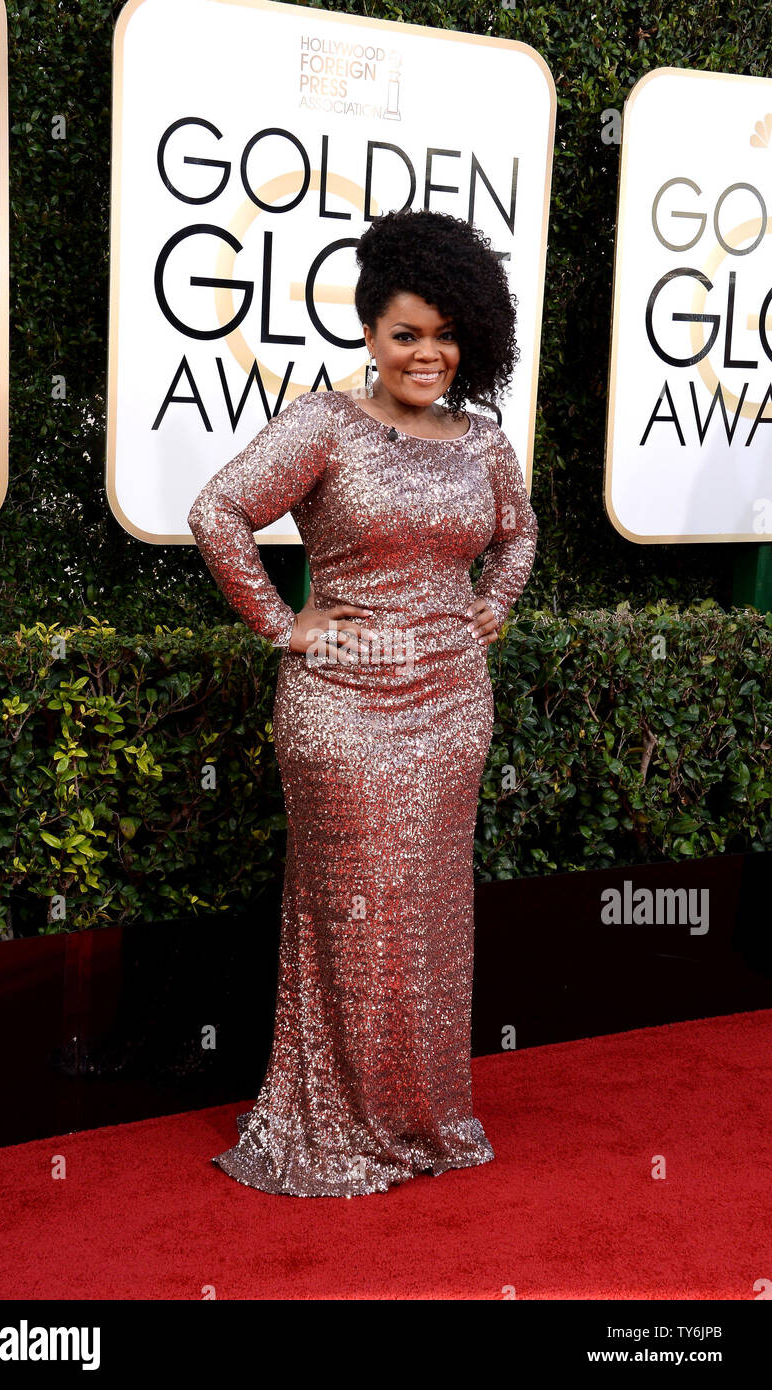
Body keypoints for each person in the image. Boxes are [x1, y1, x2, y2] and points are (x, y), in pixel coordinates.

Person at [187, 208, 538, 1197]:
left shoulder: (480, 442)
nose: (428, 353)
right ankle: (337, 1127)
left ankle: (423, 1118)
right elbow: (218, 512)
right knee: (355, 917)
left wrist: (491, 607)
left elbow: (518, 536)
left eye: (445, 334)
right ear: (370, 334)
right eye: (406, 334)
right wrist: (278, 620)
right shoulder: (324, 424)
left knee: (427, 920)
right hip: (342, 710)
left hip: (451, 707)